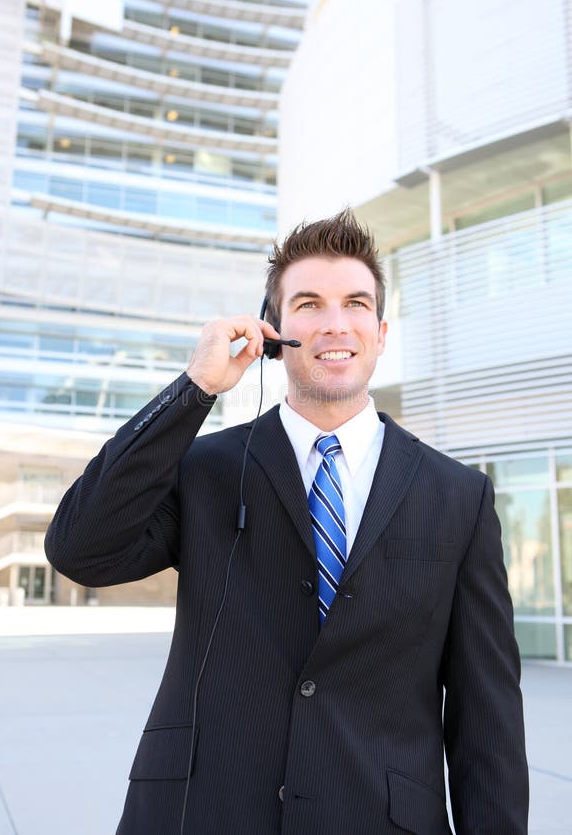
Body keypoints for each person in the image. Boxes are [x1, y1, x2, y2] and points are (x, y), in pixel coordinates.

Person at [45, 209, 529, 835]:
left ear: (381, 333)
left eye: (355, 304)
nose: (335, 324)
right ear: (273, 335)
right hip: (206, 815)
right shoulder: (204, 468)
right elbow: (79, 548)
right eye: (308, 304)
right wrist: (196, 387)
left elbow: (487, 719)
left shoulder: (459, 495)